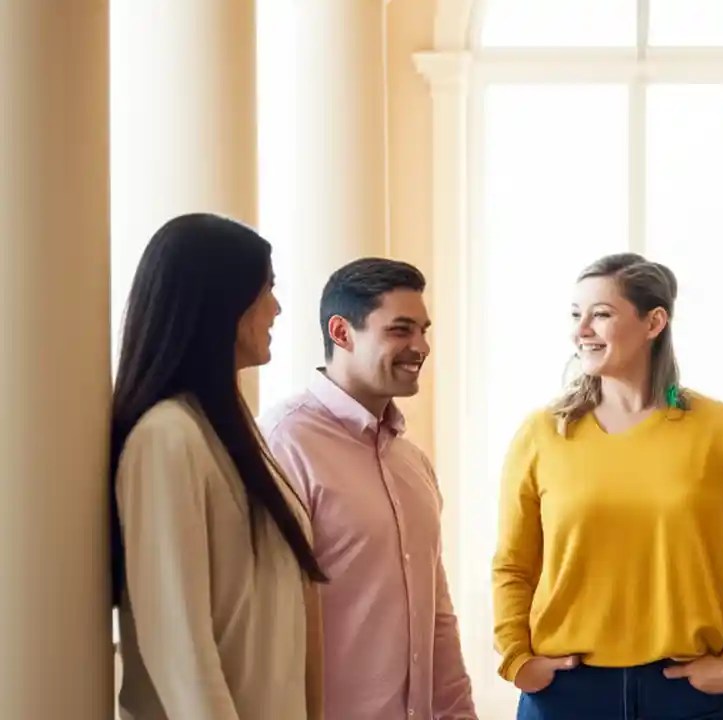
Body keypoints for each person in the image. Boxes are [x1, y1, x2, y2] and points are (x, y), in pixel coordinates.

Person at [492, 253, 723, 719]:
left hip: (688, 695)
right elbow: (513, 564)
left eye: (601, 314)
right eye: (575, 314)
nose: (581, 329)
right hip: (566, 694)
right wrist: (516, 658)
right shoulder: (542, 433)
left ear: (654, 322)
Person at [111, 213, 325, 719]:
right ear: (221, 302)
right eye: (266, 289)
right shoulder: (167, 437)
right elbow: (180, 647)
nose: (276, 308)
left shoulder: (233, 432)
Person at [261, 258, 476, 720]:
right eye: (401, 330)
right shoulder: (282, 445)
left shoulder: (412, 462)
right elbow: (264, 624)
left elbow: (436, 616)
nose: (421, 346)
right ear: (342, 332)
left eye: (423, 330)